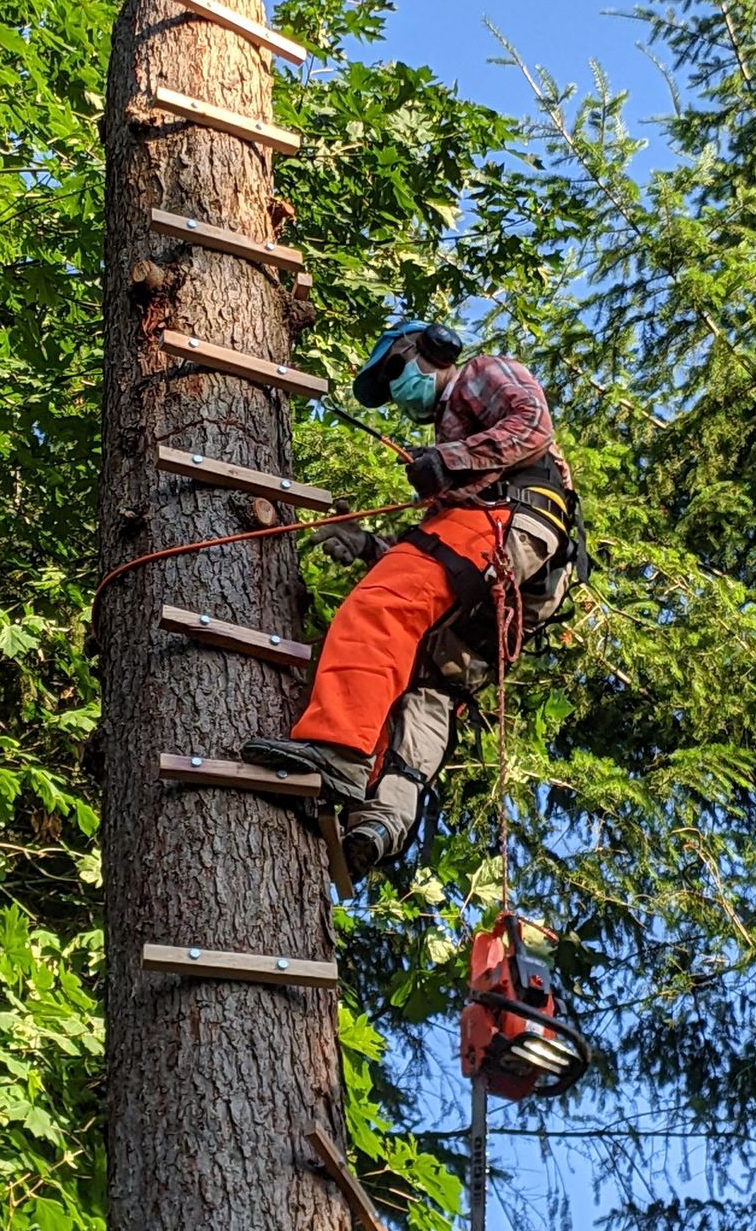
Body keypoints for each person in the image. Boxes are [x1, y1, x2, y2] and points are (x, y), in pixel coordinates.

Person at [243, 319, 581, 879]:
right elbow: (437, 560)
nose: (400, 390)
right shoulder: (457, 452)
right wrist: (371, 545)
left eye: (398, 368)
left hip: (508, 521)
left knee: (380, 606)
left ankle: (339, 749)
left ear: (431, 348)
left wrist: (449, 460)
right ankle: (382, 822)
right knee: (428, 688)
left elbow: (532, 424)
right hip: (513, 570)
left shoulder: (478, 373)